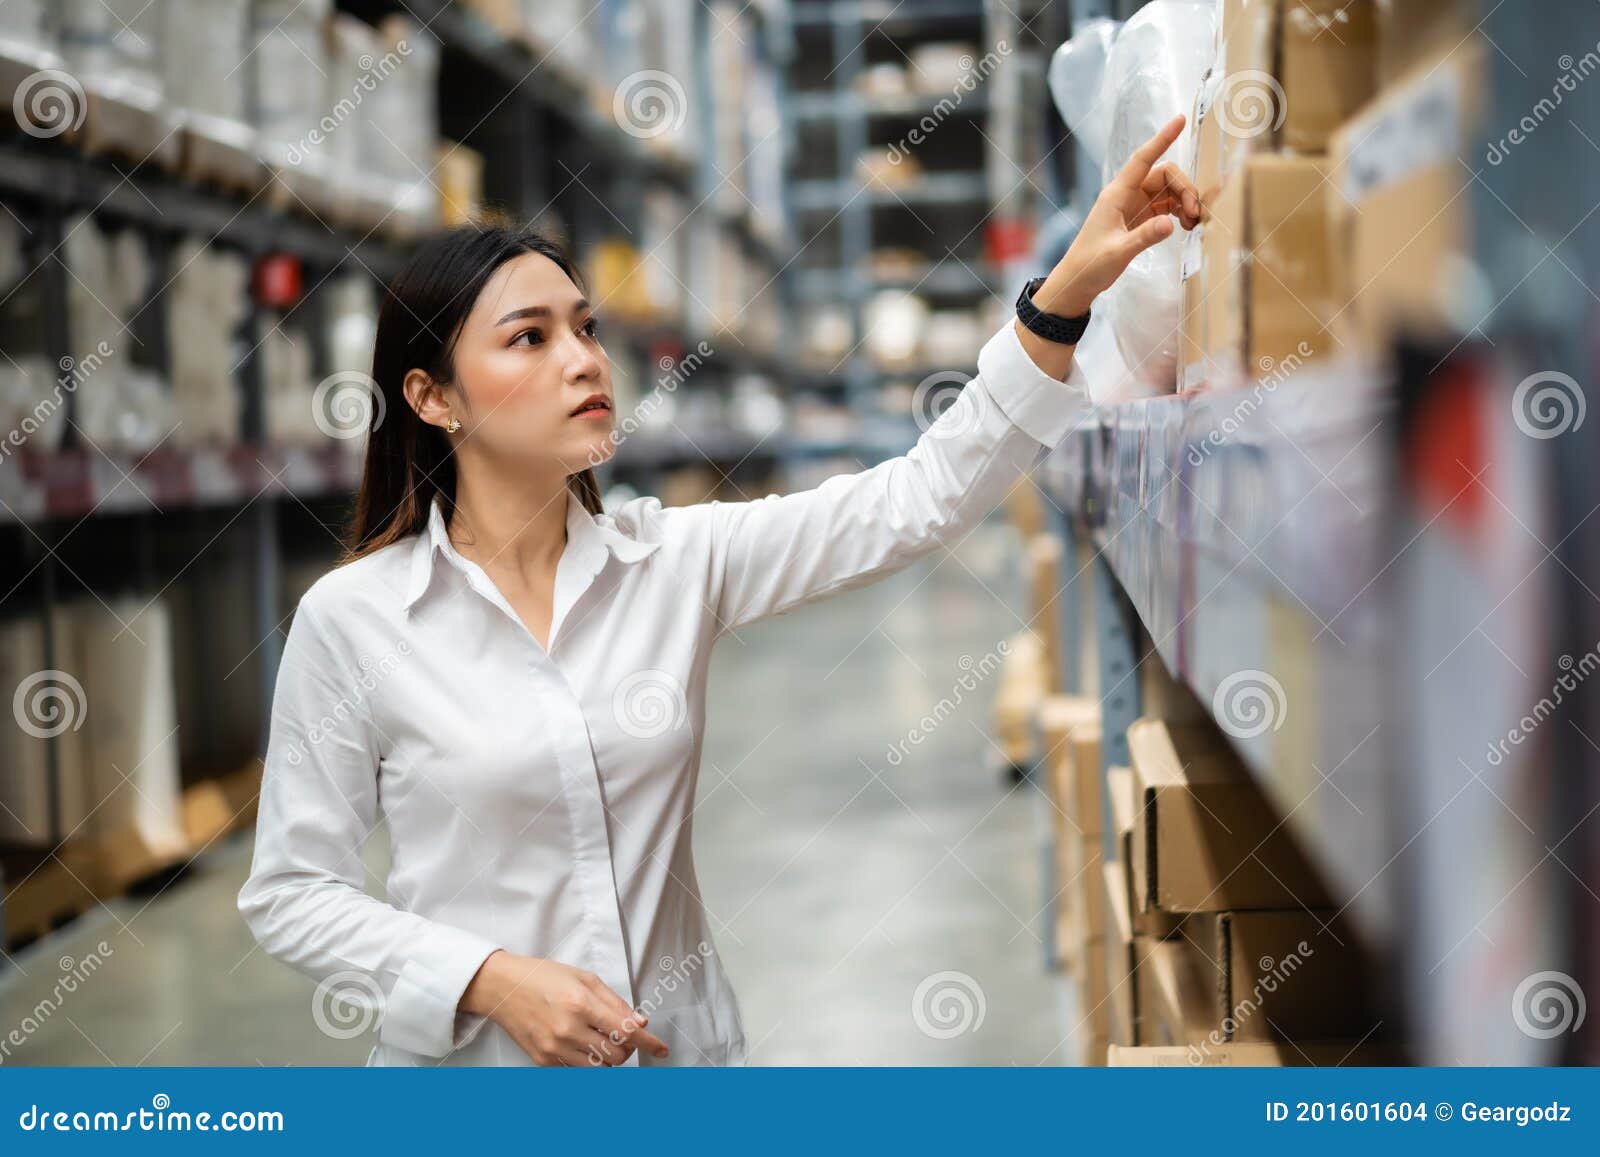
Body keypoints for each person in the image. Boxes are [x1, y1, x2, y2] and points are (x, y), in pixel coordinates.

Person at [236, 116, 1202, 1067]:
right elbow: (291, 890)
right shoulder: (357, 621)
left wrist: (1067, 290)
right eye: (528, 339)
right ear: (432, 398)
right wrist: (488, 978)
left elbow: (916, 499)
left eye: (585, 328)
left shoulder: (670, 563)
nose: (582, 359)